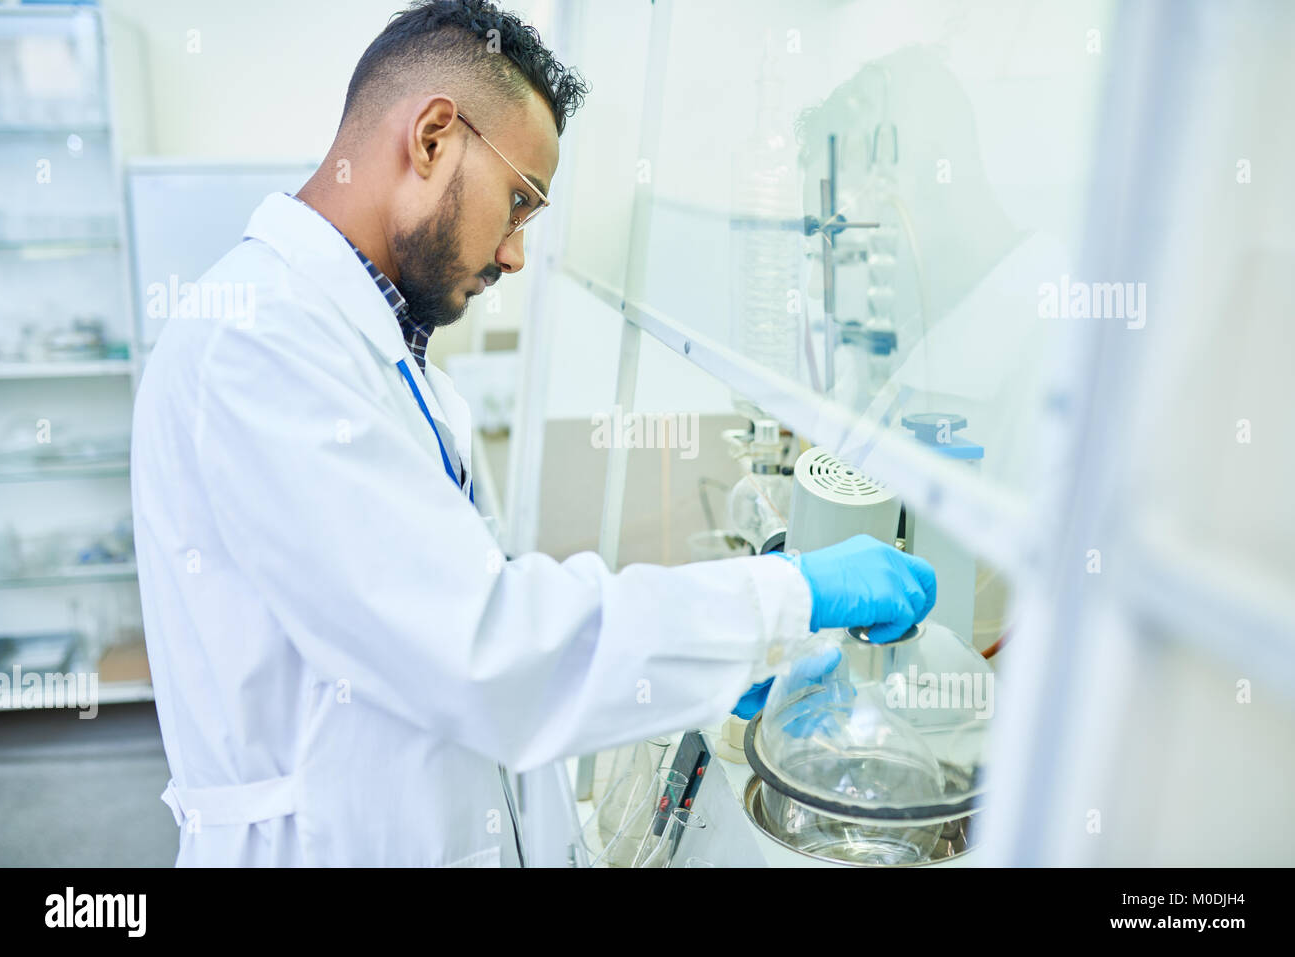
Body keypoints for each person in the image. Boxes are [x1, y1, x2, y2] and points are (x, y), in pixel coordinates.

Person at [130, 0, 936, 867]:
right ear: (433, 136)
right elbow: (485, 645)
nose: (515, 254)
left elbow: (483, 646)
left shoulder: (392, 365)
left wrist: (709, 667)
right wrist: (785, 595)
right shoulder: (257, 345)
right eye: (519, 201)